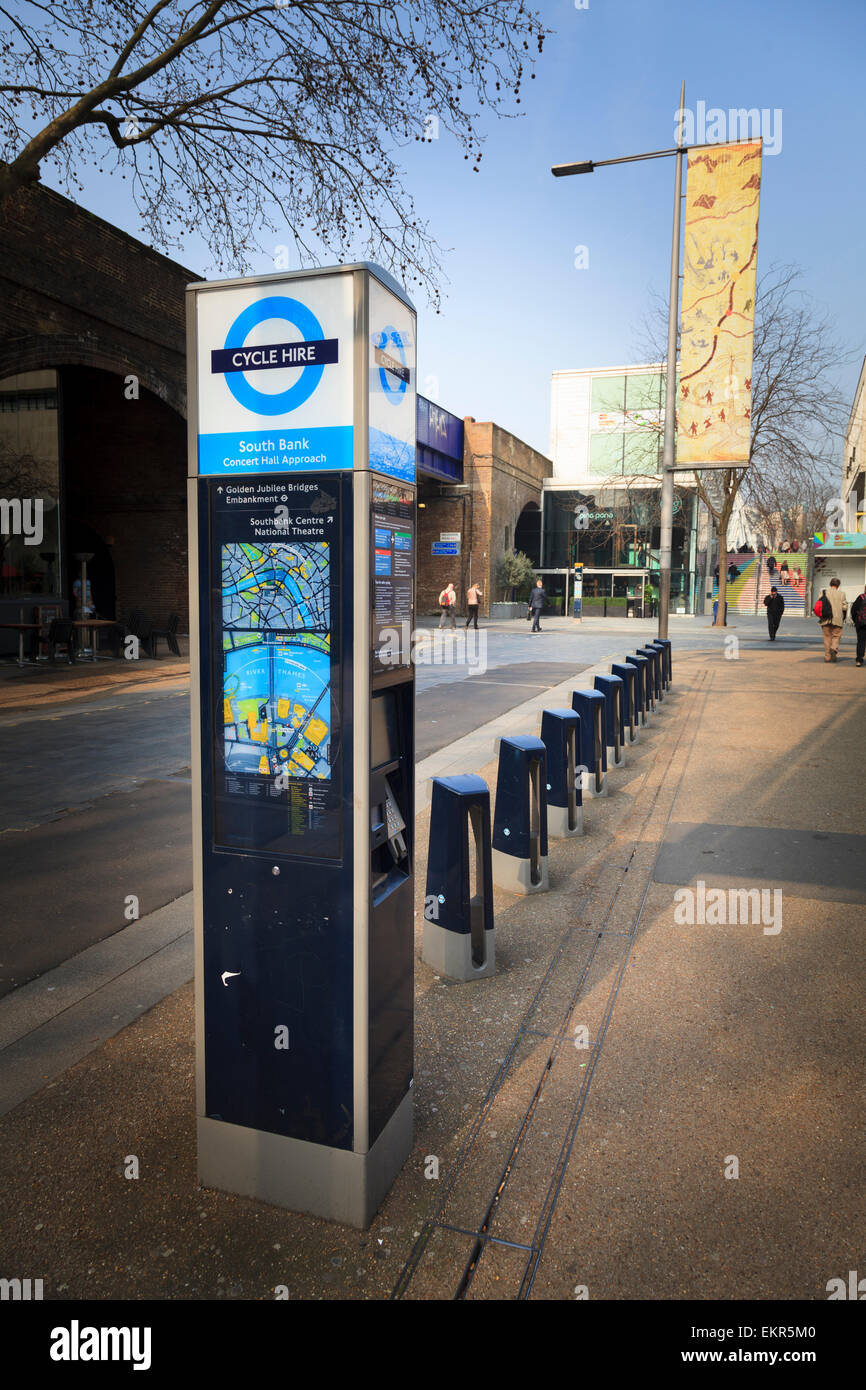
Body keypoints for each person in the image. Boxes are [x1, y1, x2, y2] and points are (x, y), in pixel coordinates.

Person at [817, 576, 848, 662]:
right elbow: (845, 607)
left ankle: (827, 657)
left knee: (827, 638)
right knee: (836, 636)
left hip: (825, 619)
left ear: (830, 584)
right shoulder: (842, 594)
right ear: (838, 585)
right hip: (837, 619)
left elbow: (819, 604)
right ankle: (834, 648)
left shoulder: (823, 592)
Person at [851, 585, 866, 667]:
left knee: (861, 641)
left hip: (861, 623)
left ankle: (859, 660)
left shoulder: (861, 597)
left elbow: (853, 609)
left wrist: (855, 620)